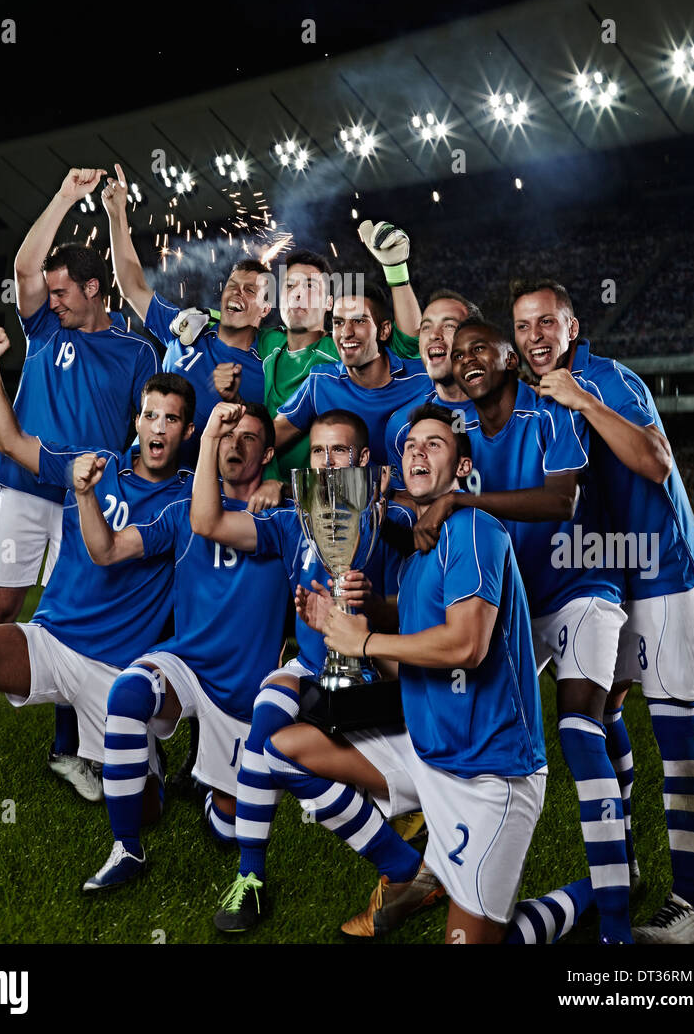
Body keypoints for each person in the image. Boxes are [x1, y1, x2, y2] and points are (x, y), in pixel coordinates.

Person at [257, 407, 593, 945]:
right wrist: (341, 624)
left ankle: (586, 896)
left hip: (488, 772)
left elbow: (467, 646)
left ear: (462, 471)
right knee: (284, 747)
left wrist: (362, 640)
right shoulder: (419, 558)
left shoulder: (474, 528)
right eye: (411, 443)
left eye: (435, 444)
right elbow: (407, 663)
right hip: (428, 754)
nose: (417, 450)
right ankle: (410, 866)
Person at [0, 328, 194, 841]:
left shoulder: (188, 500)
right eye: (150, 414)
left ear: (187, 429)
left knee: (141, 813)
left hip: (115, 673)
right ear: (135, 421)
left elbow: (108, 550)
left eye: (172, 418)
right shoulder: (93, 463)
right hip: (50, 642)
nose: (158, 427)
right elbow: (11, 440)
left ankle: (145, 758)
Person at [415, 320, 632, 943]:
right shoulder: (457, 439)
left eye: (479, 347)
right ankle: (443, 866)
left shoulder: (550, 409)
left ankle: (616, 926)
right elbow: (421, 483)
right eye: (457, 354)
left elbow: (561, 500)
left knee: (577, 729)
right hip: (519, 609)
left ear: (510, 359)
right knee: (455, 703)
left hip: (581, 587)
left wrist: (461, 504)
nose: (466, 358)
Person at [512, 278, 694, 944]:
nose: (535, 336)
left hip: (668, 572)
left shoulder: (606, 379)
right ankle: (621, 864)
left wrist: (579, 397)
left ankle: (691, 902)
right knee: (605, 713)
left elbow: (655, 462)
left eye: (547, 323)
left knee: (675, 724)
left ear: (572, 327)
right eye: (523, 326)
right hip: (617, 572)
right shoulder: (539, 398)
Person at [0, 167, 159, 797]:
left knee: (75, 624)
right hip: (27, 485)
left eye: (62, 292)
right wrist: (65, 197)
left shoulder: (137, 353)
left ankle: (68, 751)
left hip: (89, 500)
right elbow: (26, 271)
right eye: (48, 293)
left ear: (94, 289)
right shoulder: (47, 329)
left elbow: (143, 432)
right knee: (0, 603)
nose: (50, 301)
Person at [187, 407, 411, 933]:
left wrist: (374, 604)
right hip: (311, 665)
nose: (326, 463)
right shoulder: (295, 520)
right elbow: (208, 522)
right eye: (316, 453)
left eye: (337, 451)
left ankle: (400, 860)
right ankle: (252, 878)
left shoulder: (393, 524)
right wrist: (209, 442)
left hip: (376, 675)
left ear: (360, 459)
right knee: (264, 722)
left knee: (279, 756)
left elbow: (422, 606)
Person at [75, 402, 299, 892]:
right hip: (188, 663)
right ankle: (126, 847)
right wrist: (85, 496)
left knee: (229, 829)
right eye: (227, 435)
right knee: (129, 693)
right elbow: (107, 550)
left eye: (249, 439)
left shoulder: (289, 522)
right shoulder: (181, 513)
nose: (235, 445)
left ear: (266, 456)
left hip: (244, 691)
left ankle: (211, 795)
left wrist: (281, 489)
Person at [101, 163, 270, 465]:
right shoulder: (186, 327)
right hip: (141, 478)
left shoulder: (266, 369)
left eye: (250, 291)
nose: (236, 293)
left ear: (265, 310)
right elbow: (131, 287)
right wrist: (117, 214)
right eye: (232, 285)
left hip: (201, 495)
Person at [274, 283, 429, 465]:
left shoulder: (425, 379)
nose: (346, 333)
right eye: (338, 323)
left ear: (384, 330)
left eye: (359, 321)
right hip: (342, 493)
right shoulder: (320, 383)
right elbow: (270, 437)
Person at [384, 290, 482, 482]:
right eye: (426, 327)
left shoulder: (517, 412)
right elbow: (406, 498)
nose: (434, 335)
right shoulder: (402, 425)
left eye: (448, 326)